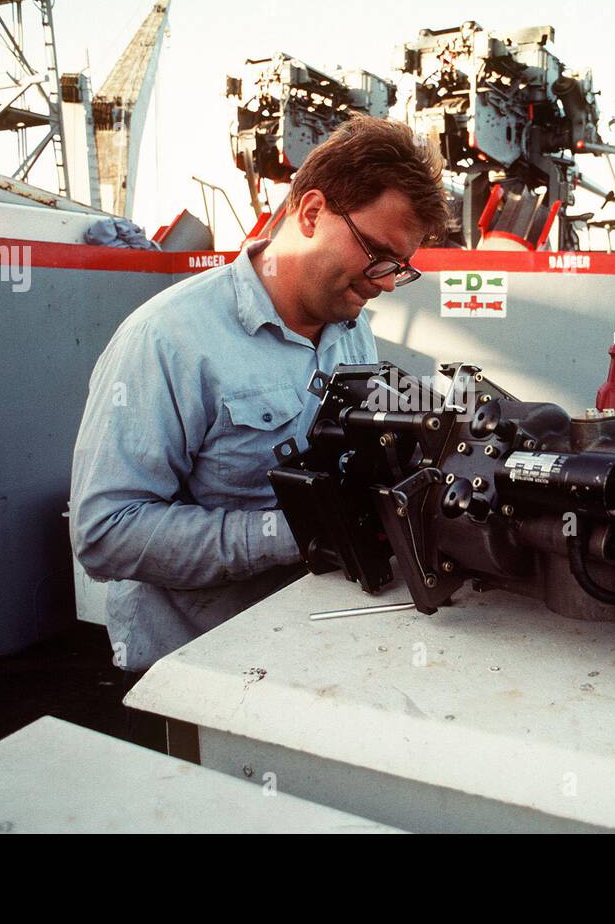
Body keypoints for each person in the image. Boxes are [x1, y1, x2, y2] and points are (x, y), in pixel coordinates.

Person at [69, 116, 449, 678]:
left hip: (311, 647)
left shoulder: (351, 328)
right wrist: (300, 532)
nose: (388, 282)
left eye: (401, 267)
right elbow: (106, 533)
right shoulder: (168, 338)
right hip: (196, 672)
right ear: (313, 212)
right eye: (378, 253)